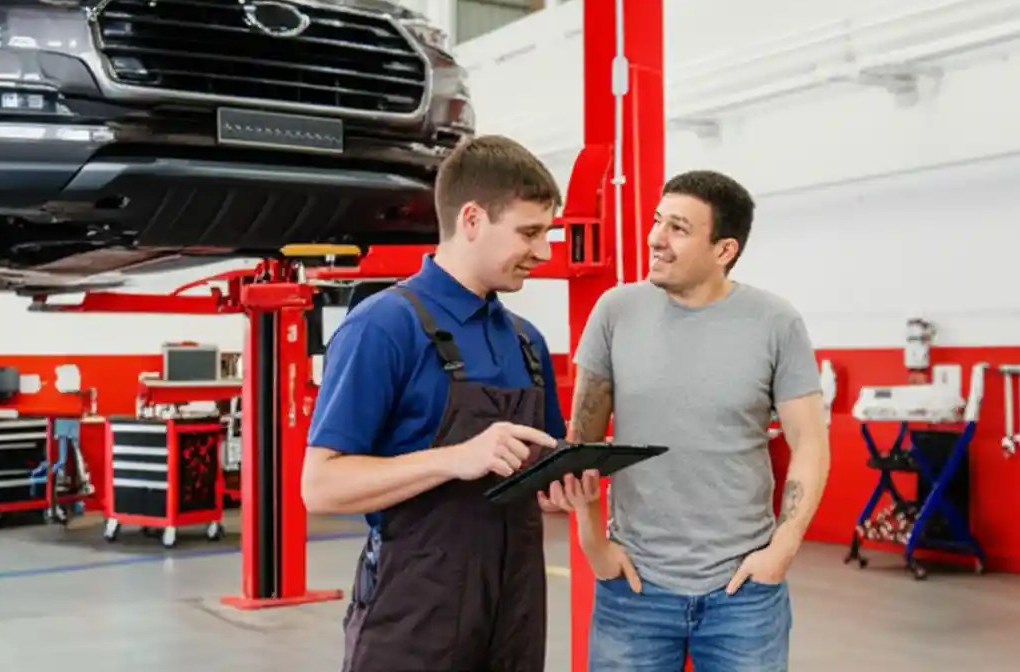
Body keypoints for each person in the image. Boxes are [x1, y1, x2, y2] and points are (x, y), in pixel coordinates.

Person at [542, 169, 831, 671]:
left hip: (744, 593)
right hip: (634, 589)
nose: (656, 238)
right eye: (658, 221)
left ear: (724, 250)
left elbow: (809, 442)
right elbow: (581, 441)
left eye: (677, 227)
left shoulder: (775, 323)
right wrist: (594, 545)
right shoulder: (616, 312)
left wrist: (781, 552)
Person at [301, 134, 570, 672]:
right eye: (529, 232)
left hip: (515, 602)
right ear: (471, 219)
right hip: (416, 607)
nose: (543, 251)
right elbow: (321, 486)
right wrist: (456, 458)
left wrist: (567, 476)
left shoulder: (526, 340)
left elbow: (540, 476)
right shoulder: (384, 326)